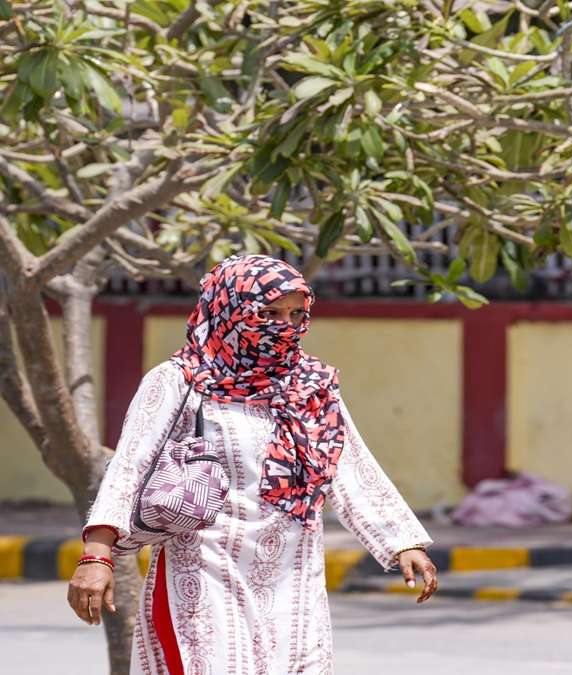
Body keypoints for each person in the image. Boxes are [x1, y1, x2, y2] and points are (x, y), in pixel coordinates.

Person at [67, 255, 439, 674]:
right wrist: (97, 555)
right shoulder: (180, 380)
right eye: (269, 313)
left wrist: (402, 543)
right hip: (202, 572)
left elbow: (348, 463)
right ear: (230, 310)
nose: (286, 326)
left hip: (292, 578)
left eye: (297, 314)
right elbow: (130, 465)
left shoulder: (309, 385)